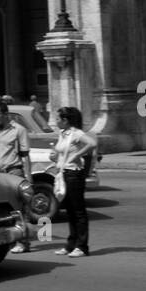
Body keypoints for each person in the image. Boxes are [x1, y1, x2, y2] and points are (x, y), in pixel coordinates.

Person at [0, 100, 35, 252]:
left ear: (5, 114)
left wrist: (28, 177)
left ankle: (23, 242)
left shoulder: (18, 130)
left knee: (19, 209)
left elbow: (25, 155)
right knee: (0, 210)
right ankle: (7, 240)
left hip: (13, 172)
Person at [52, 106, 97, 257]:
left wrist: (77, 155)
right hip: (63, 174)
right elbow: (61, 151)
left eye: (58, 119)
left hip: (74, 174)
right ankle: (71, 244)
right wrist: (54, 156)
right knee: (70, 211)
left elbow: (92, 143)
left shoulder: (76, 133)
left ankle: (82, 246)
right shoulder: (62, 134)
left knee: (78, 211)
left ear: (65, 120)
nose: (56, 121)